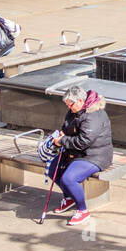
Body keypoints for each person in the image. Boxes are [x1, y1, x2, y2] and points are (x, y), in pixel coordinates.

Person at [47, 84, 113, 227]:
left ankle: (83, 210)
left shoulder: (93, 115)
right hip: (76, 152)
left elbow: (84, 141)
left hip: (94, 156)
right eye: (67, 105)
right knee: (52, 170)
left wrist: (63, 141)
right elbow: (67, 127)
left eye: (70, 105)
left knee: (69, 178)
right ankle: (70, 197)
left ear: (80, 101)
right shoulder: (74, 111)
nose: (69, 108)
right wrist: (62, 135)